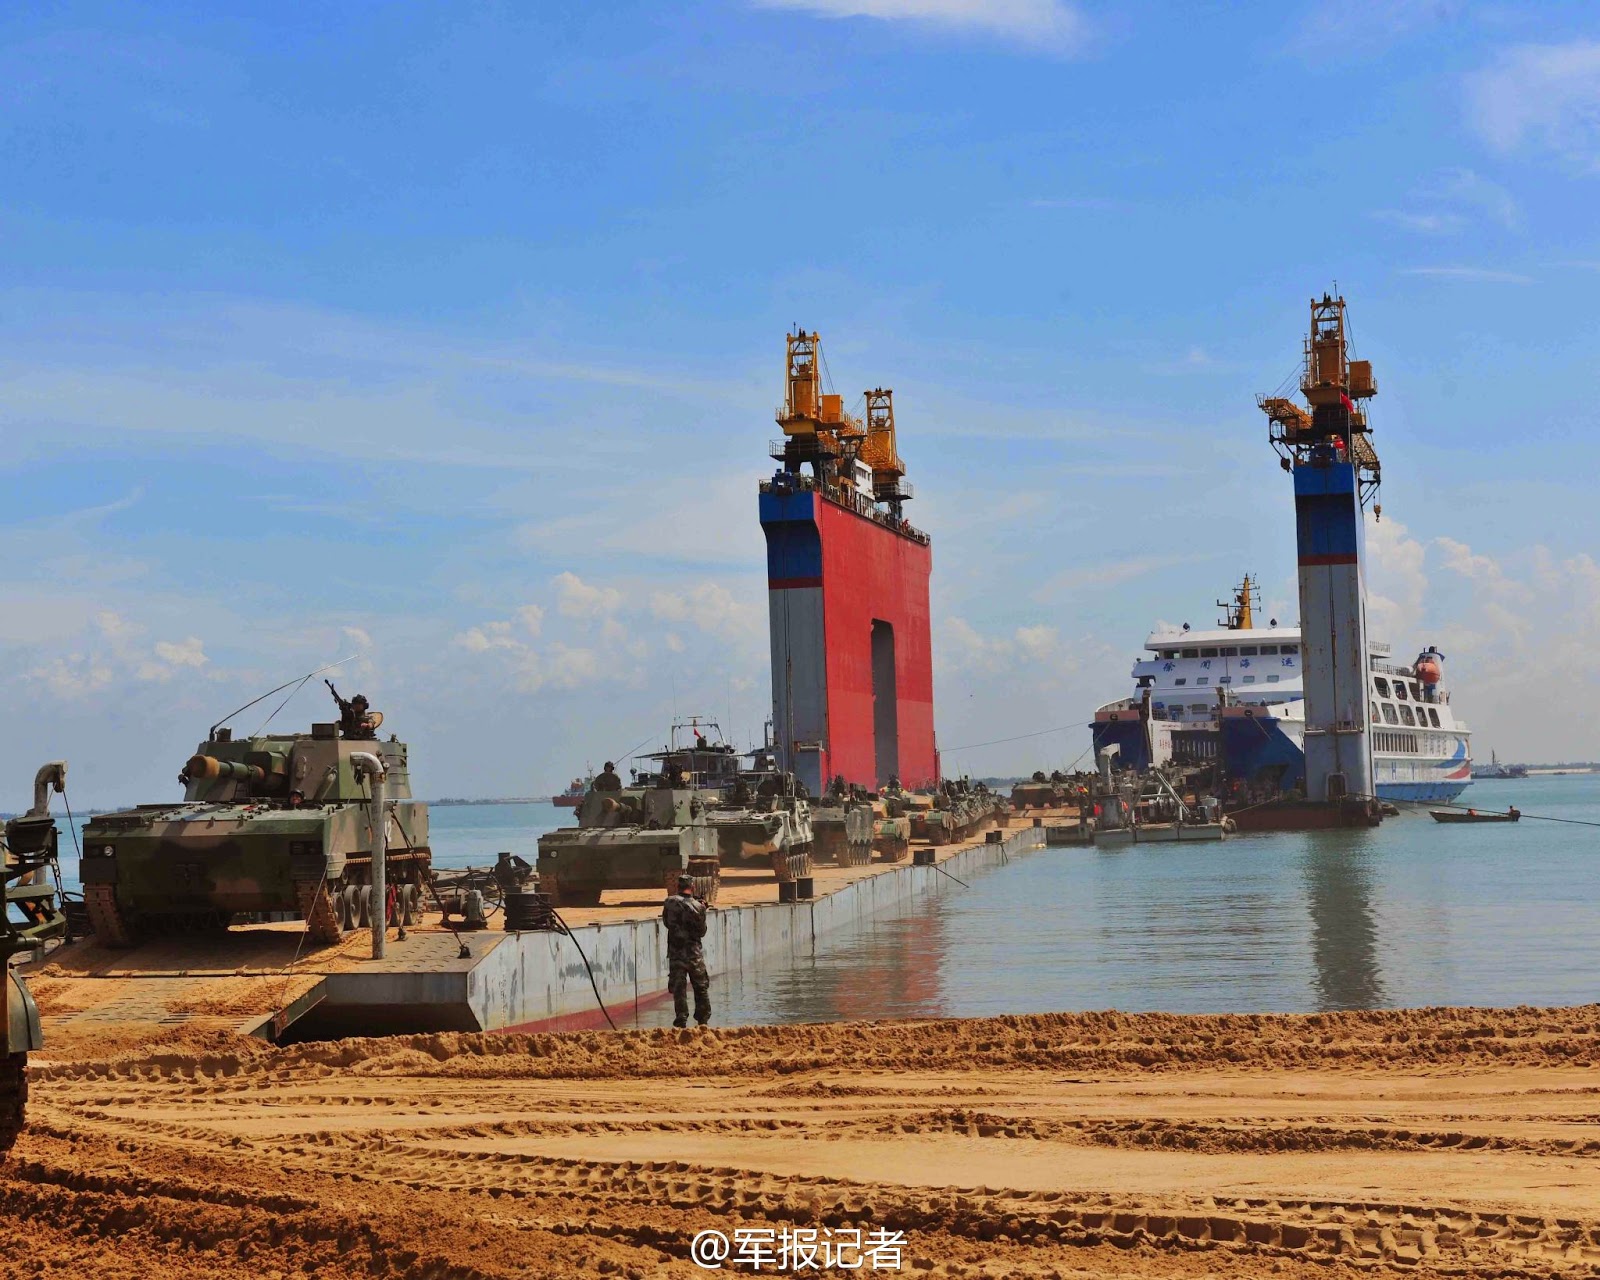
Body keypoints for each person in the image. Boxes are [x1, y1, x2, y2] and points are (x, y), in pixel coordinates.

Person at [662, 873, 711, 1028]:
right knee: (701, 987)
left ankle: (681, 1019)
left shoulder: (669, 902)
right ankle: (703, 1021)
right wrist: (702, 909)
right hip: (694, 954)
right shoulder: (699, 907)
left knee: (679, 989)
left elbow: (666, 922)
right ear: (692, 887)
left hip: (676, 953)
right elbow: (702, 932)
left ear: (678, 886)